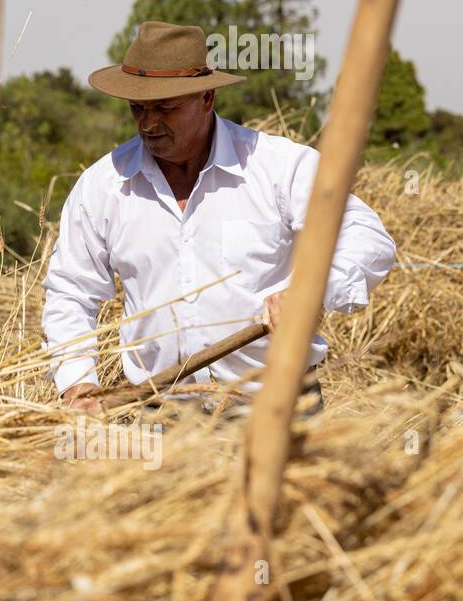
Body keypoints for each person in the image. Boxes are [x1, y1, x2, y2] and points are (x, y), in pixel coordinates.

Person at [42, 21, 396, 413]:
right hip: (162, 413)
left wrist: (312, 290)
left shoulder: (279, 168)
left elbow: (367, 239)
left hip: (276, 407)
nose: (147, 123)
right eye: (137, 108)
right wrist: (77, 383)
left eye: (166, 107)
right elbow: (70, 291)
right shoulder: (104, 186)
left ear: (207, 97)